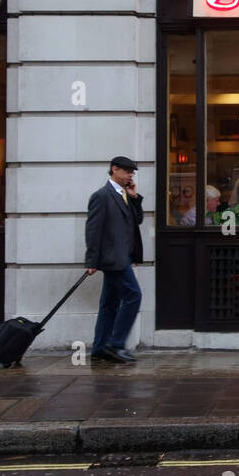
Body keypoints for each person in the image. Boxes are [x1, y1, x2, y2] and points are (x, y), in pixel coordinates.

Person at [84, 156, 144, 364]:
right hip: (112, 258)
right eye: (127, 171)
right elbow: (93, 231)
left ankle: (100, 347)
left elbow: (137, 220)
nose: (130, 175)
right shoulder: (102, 196)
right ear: (114, 170)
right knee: (133, 295)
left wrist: (135, 197)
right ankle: (115, 344)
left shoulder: (125, 194)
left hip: (123, 256)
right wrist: (91, 260)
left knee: (109, 303)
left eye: (132, 173)